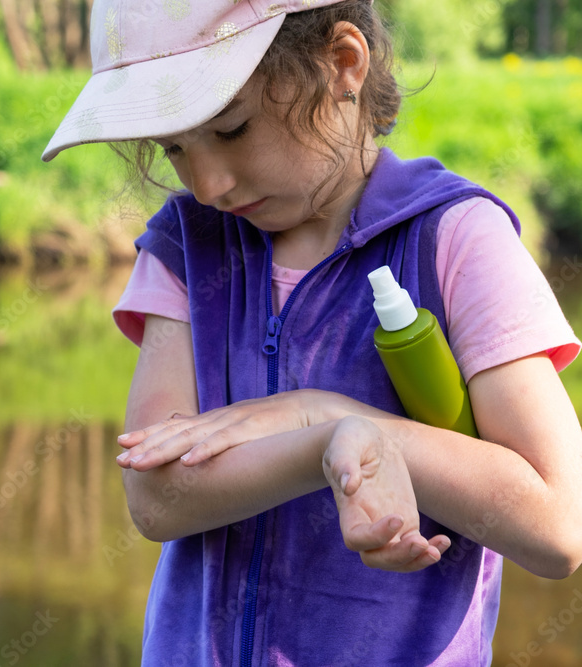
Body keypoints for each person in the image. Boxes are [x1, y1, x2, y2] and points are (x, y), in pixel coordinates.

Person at [41, 0, 582, 665]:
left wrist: (326, 412)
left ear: (342, 65)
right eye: (174, 147)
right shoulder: (187, 248)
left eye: (233, 129)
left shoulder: (458, 242)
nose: (206, 183)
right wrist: (323, 445)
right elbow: (155, 498)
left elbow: (558, 527)